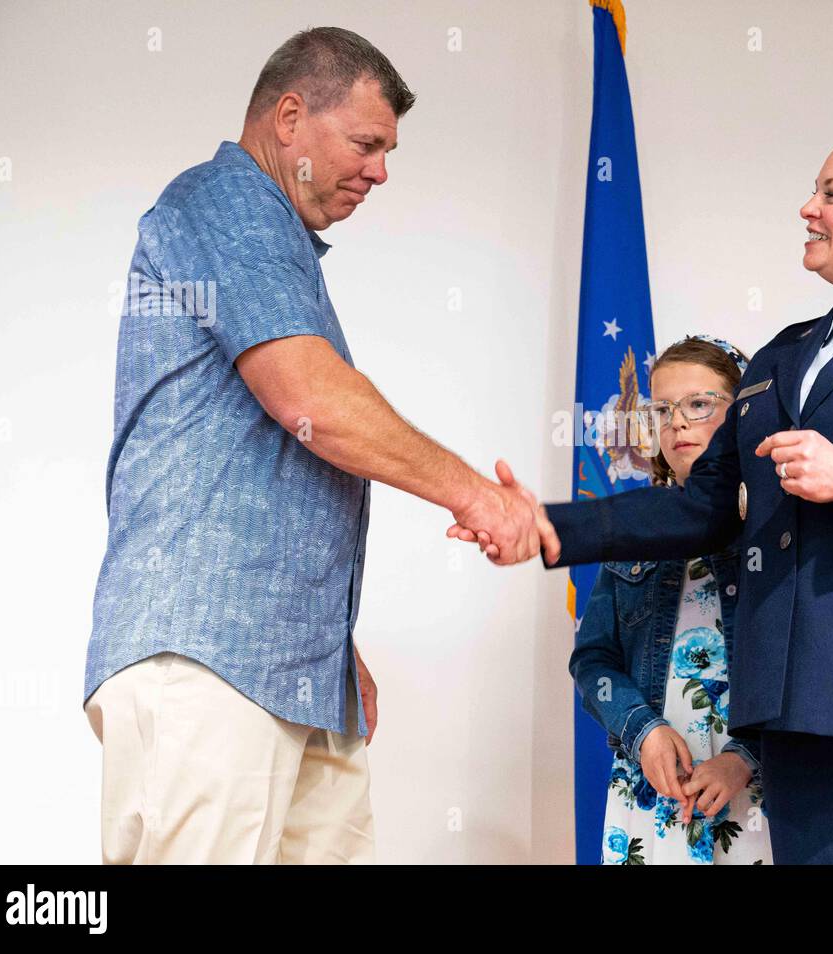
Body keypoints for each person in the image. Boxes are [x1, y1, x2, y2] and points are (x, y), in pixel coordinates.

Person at [454, 126, 833, 864]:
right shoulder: (782, 353)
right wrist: (546, 525)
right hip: (794, 717)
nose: (808, 207)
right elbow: (699, 507)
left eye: (831, 193)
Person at [84, 27, 541, 864]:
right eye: (366, 144)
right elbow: (309, 399)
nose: (380, 172)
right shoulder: (223, 203)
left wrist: (328, 648)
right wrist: (476, 495)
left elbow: (263, 466)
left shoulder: (277, 241)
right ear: (289, 116)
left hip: (291, 672)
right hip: (205, 658)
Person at [573, 336, 773, 865]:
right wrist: (643, 731)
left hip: (759, 792)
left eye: (699, 404)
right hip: (657, 792)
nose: (677, 422)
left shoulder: (781, 531)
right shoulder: (638, 531)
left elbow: (812, 662)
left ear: (744, 414)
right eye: (663, 410)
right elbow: (592, 659)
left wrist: (745, 757)